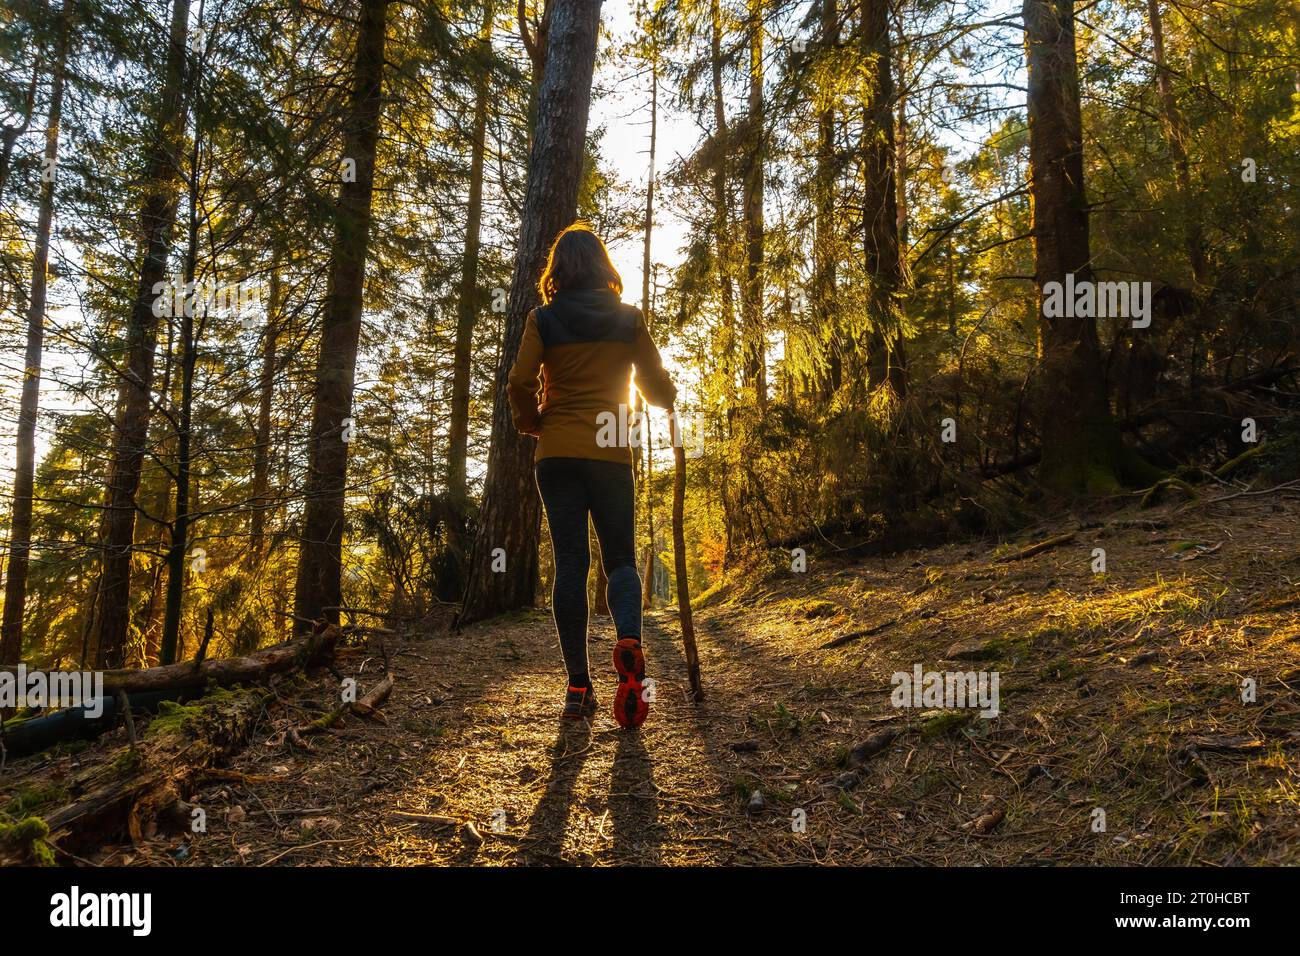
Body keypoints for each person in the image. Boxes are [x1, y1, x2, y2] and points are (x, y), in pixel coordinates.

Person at [507, 222, 676, 728]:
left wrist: (532, 423)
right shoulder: (628, 319)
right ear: (603, 265)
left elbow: (518, 381)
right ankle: (628, 641)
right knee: (620, 561)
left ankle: (578, 688)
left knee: (571, 566)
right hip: (610, 444)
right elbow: (654, 386)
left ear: (558, 270)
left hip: (556, 449)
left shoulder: (544, 318)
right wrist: (666, 396)